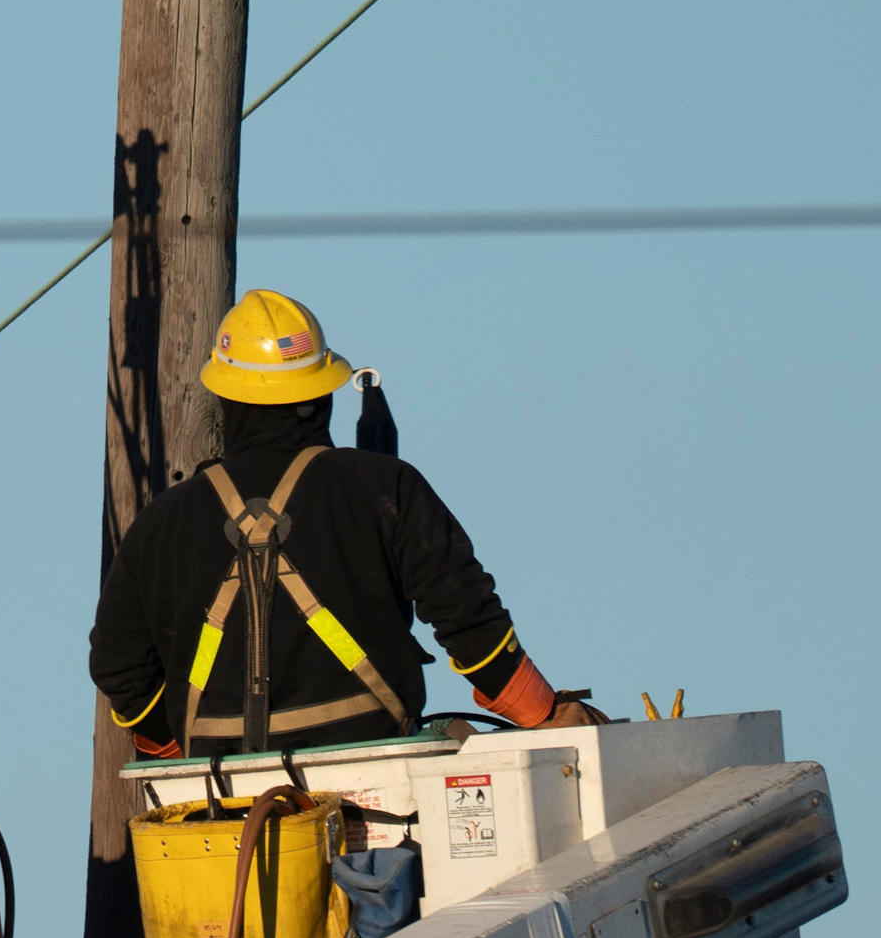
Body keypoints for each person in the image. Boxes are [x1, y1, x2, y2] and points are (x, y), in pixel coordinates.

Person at [91, 289, 599, 758]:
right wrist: (544, 713)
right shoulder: (383, 488)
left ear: (226, 399)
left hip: (215, 801)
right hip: (372, 780)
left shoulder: (161, 522)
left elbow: (118, 665)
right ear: (322, 394)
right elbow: (469, 622)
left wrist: (180, 747)